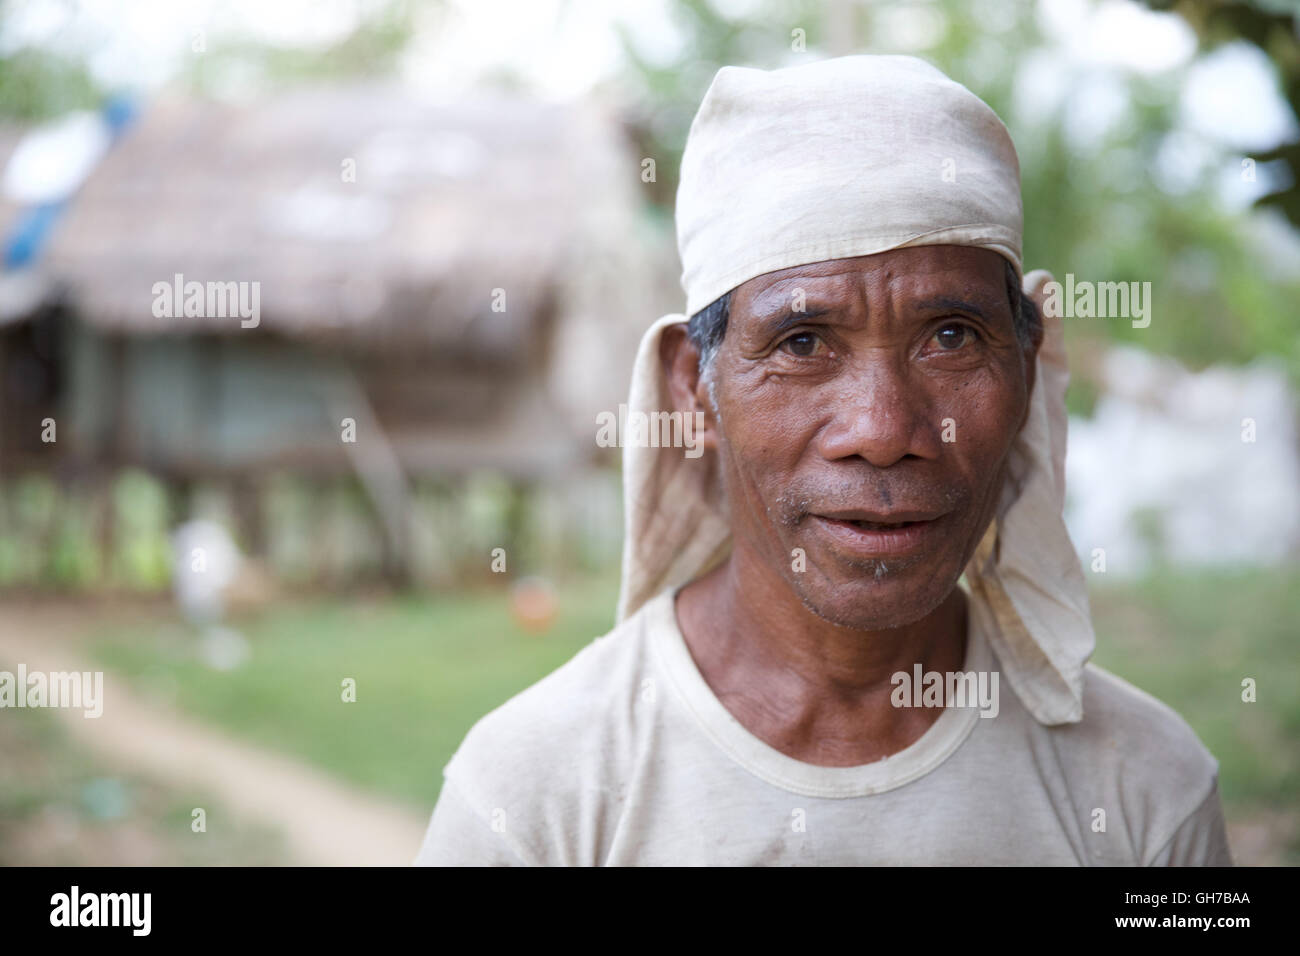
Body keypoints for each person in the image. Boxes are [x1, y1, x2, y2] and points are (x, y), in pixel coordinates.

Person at [414, 54, 1232, 866]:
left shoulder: (1147, 793)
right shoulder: (531, 799)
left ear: (1025, 370)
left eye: (952, 337)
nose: (883, 428)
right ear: (692, 389)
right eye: (801, 342)